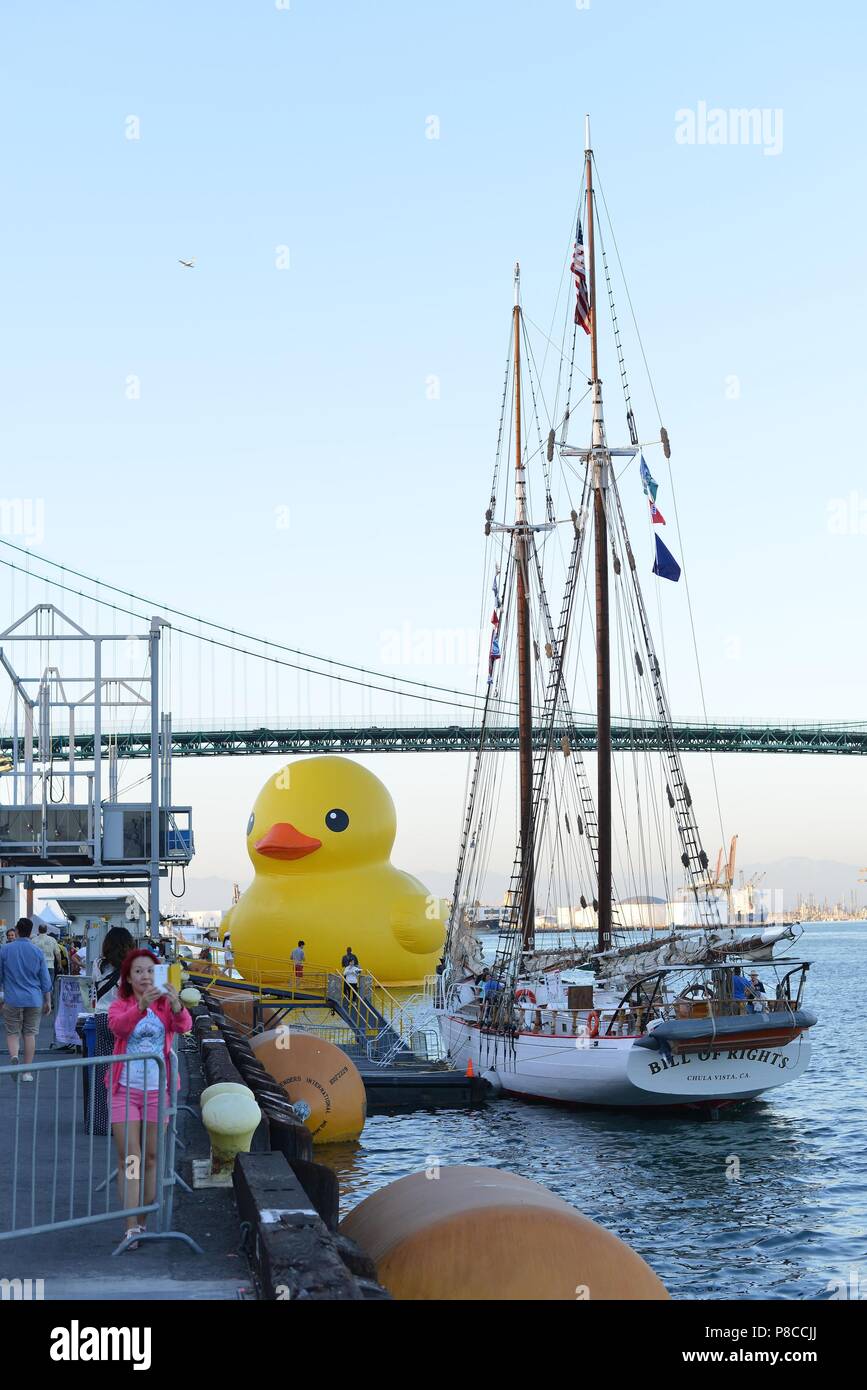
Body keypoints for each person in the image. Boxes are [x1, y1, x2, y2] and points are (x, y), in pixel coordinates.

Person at [107, 949, 192, 1246]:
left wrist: (176, 1003)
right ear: (128, 978)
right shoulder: (119, 1005)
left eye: (149, 971)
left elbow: (185, 1026)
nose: (144, 976)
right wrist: (140, 1006)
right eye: (138, 972)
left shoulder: (165, 1007)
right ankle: (130, 1226)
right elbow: (118, 1027)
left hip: (160, 1091)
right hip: (124, 1091)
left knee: (153, 1158)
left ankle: (142, 1221)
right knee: (130, 1157)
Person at [0, 917, 52, 1081]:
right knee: (30, 1034)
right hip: (33, 999)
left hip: (12, 998)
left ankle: (14, 1056)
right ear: (30, 932)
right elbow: (45, 980)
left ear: (16, 930)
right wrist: (48, 1001)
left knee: (12, 1032)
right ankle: (27, 1072)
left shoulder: (4, 950)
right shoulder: (37, 952)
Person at [35, 924, 63, 992]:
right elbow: (57, 953)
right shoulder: (52, 940)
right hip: (50, 965)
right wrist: (59, 964)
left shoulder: (34, 940)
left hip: (37, 966)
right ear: (46, 930)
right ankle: (49, 1001)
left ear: (38, 930)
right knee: (49, 986)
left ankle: (40, 1001)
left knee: (38, 986)